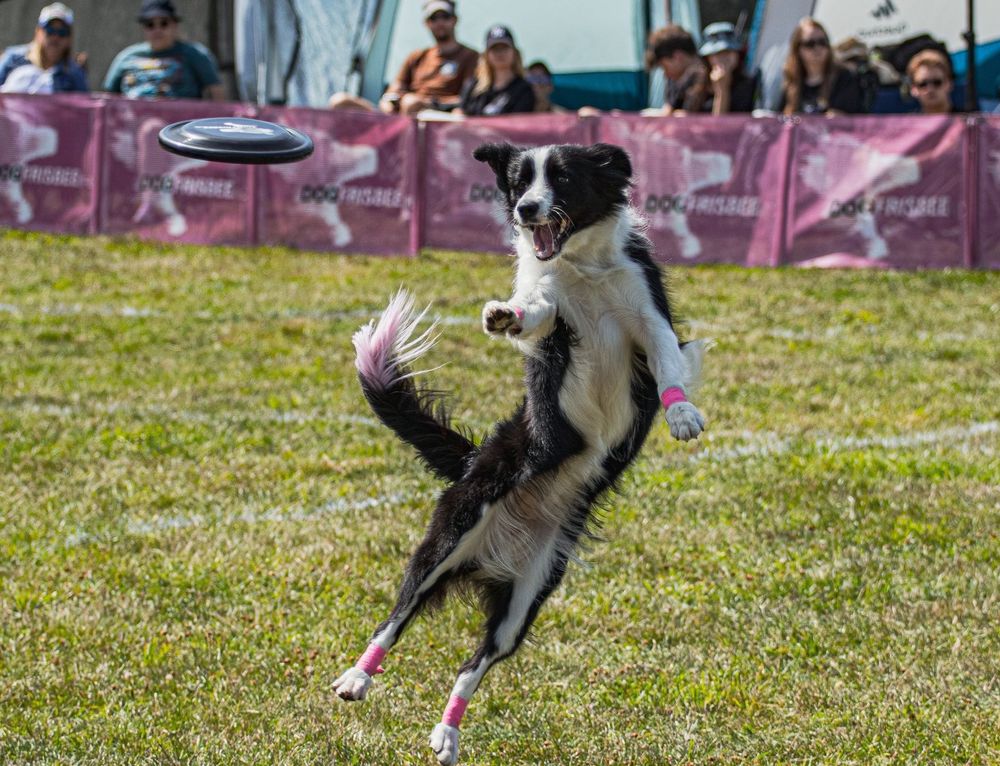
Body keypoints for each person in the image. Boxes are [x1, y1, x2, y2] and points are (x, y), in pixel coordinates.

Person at [329, 0, 478, 114]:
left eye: (445, 17)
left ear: (455, 20)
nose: (440, 23)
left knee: (411, 103)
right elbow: (395, 89)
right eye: (434, 18)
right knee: (340, 101)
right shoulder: (417, 56)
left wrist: (428, 103)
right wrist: (389, 101)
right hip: (399, 114)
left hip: (435, 118)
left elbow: (469, 100)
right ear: (427, 24)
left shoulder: (471, 57)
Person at [103, 0, 223, 100]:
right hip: (131, 123)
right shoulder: (127, 56)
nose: (157, 30)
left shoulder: (195, 54)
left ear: (175, 25)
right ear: (143, 28)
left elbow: (217, 94)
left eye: (164, 23)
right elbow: (107, 98)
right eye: (150, 24)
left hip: (177, 124)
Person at [781, 18, 866, 115]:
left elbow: (842, 119)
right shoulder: (792, 83)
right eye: (810, 44)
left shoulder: (844, 77)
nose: (818, 48)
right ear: (797, 49)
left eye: (822, 42)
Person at [0, 3, 87, 94]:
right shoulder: (13, 59)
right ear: (38, 32)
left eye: (62, 32)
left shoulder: (74, 72)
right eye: (50, 31)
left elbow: (84, 105)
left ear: (70, 38)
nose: (55, 37)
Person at [457, 26, 534, 116]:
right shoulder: (472, 86)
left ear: (514, 52)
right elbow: (461, 112)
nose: (500, 53)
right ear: (486, 55)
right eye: (495, 48)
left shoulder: (523, 90)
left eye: (504, 47)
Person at [643, 25, 708, 115]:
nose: (666, 74)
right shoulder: (674, 80)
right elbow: (668, 110)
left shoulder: (708, 75)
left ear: (678, 57)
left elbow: (687, 116)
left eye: (664, 67)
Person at [697, 21, 757, 114]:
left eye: (728, 51)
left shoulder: (748, 86)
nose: (723, 57)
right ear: (707, 58)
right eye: (717, 53)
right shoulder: (698, 86)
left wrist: (722, 90)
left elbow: (720, 125)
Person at [906, 49, 957, 114]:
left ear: (949, 83)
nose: (930, 89)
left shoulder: (967, 121)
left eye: (937, 82)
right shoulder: (908, 123)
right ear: (913, 88)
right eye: (923, 84)